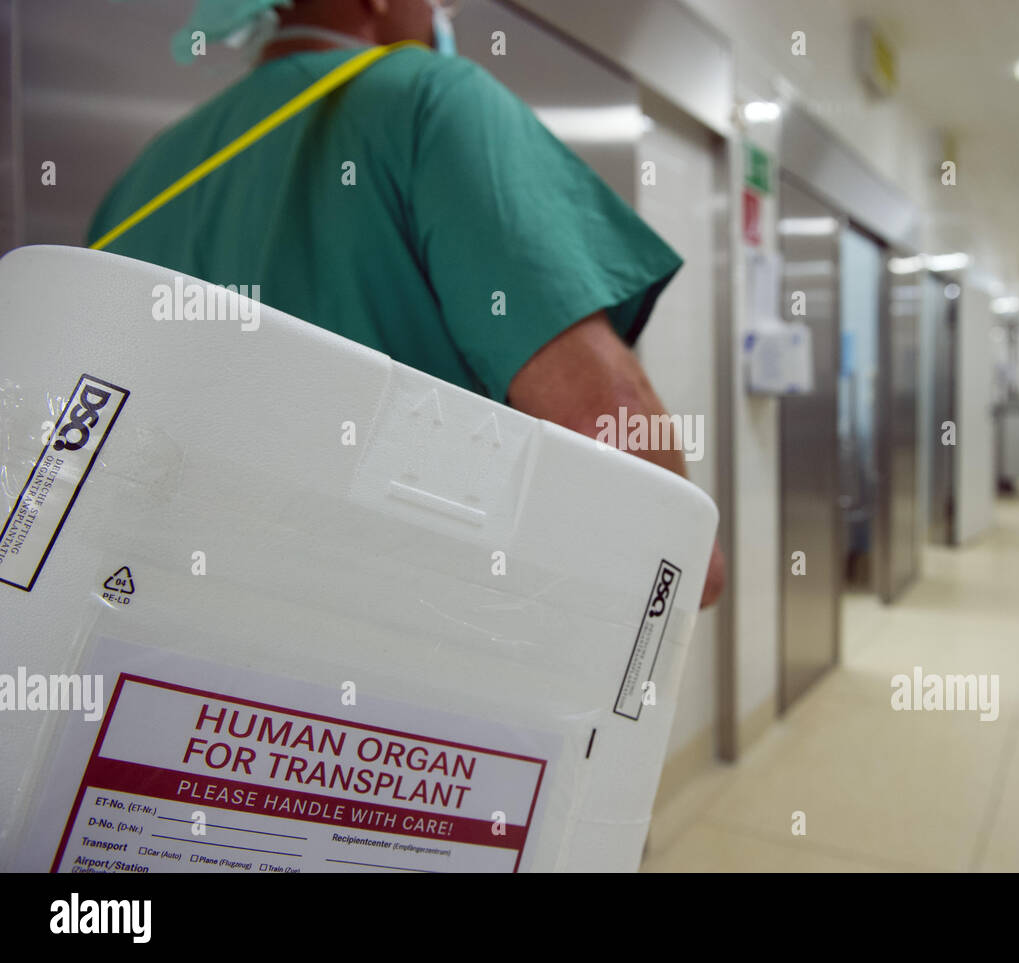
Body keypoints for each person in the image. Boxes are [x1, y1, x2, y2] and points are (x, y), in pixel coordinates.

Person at [87, 0, 725, 605]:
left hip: (172, 653)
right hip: (404, 654)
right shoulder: (428, 97)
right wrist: (690, 561)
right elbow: (602, 418)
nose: (442, 17)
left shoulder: (142, 181)